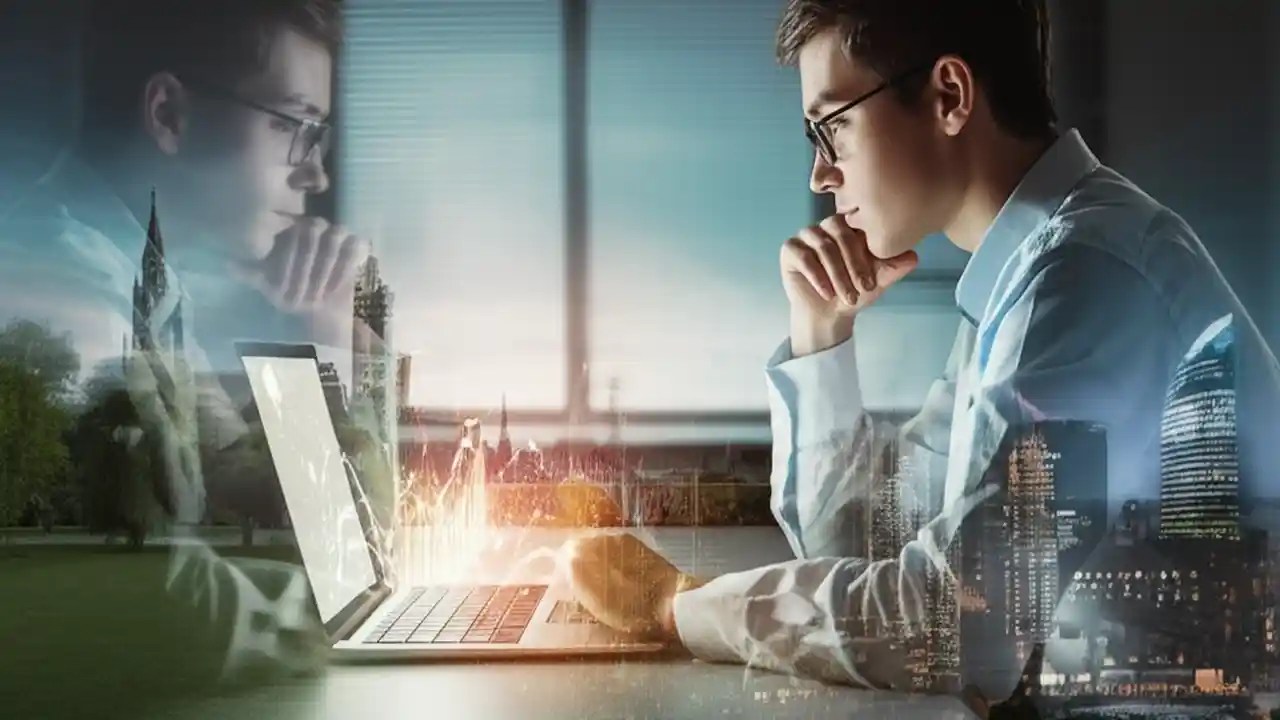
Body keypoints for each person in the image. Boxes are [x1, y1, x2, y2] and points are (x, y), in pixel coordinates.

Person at [566, 0, 1280, 705]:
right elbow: (871, 539)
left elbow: (959, 628)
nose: (821, 175)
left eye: (833, 127)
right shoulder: (1025, 274)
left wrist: (679, 608)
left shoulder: (1084, 278)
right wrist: (821, 332)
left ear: (948, 95)